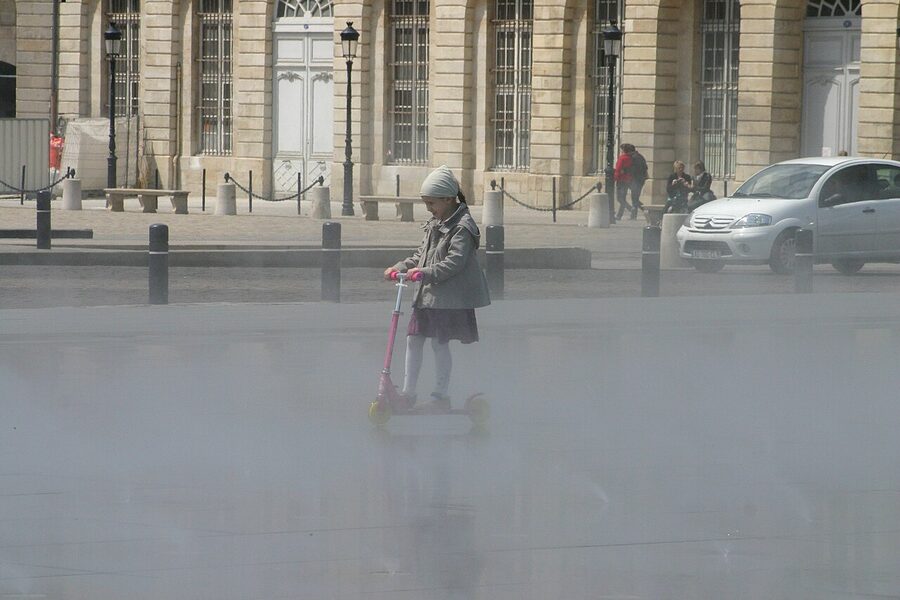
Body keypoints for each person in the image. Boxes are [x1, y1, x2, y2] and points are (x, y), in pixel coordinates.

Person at [383, 165, 491, 412]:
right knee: (413, 339)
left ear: (448, 199)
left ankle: (440, 396)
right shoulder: (435, 223)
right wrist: (399, 266)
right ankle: (408, 394)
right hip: (428, 296)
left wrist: (424, 274)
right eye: (426, 203)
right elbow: (421, 255)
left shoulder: (462, 226)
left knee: (439, 344)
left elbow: (454, 262)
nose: (429, 209)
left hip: (449, 298)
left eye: (432, 203)